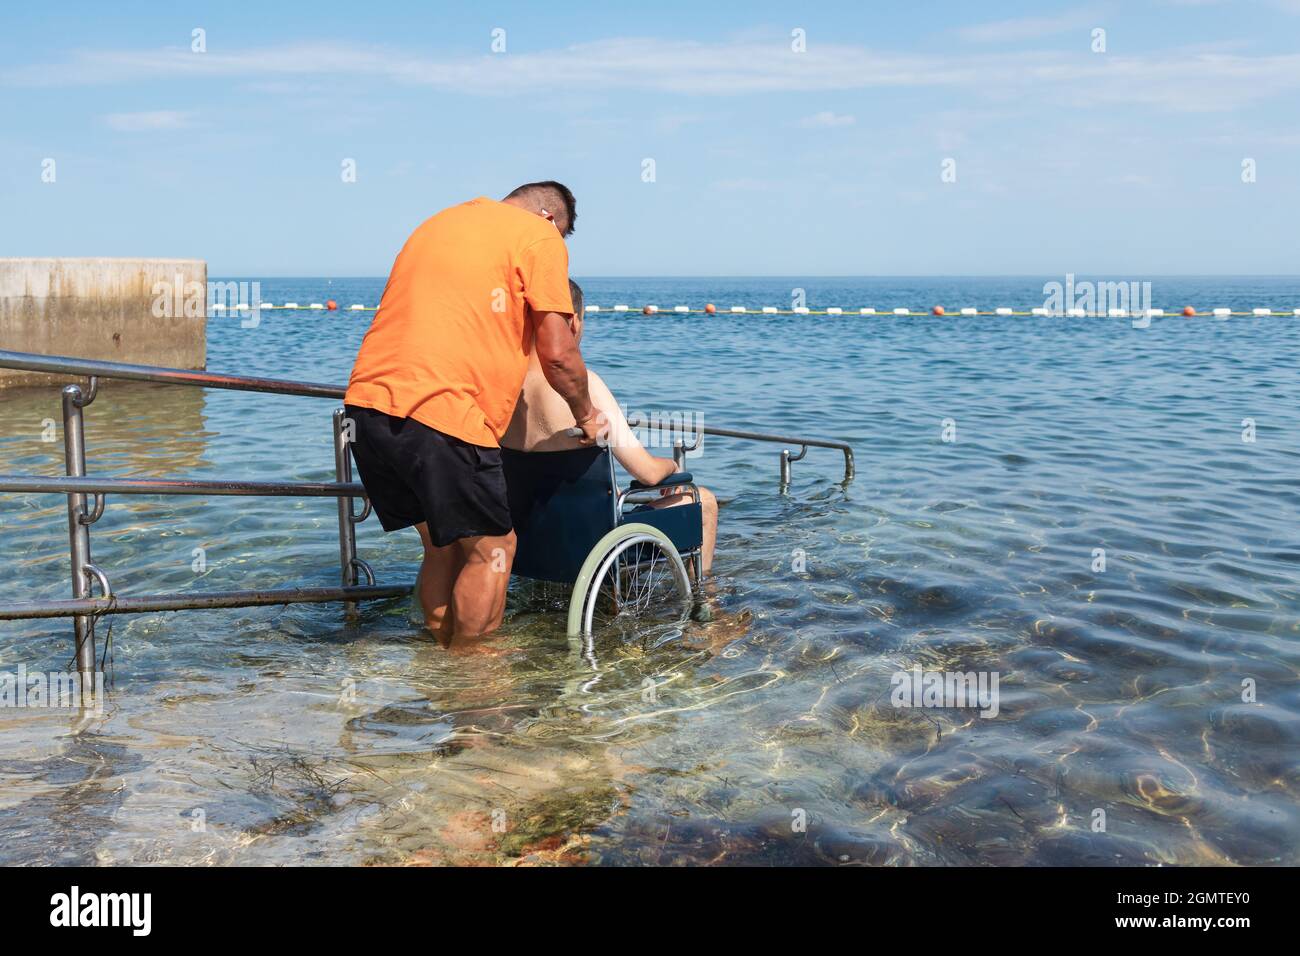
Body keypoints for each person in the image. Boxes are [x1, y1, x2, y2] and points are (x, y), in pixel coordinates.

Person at [343, 183, 602, 642]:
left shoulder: (439, 223)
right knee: (494, 549)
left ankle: (441, 657)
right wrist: (586, 415)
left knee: (443, 549)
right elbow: (558, 353)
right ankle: (474, 681)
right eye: (561, 238)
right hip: (442, 412)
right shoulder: (537, 235)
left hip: (366, 408)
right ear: (549, 217)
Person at [501, 281, 718, 574]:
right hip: (595, 550)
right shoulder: (584, 386)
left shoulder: (500, 387)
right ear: (574, 323)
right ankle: (704, 606)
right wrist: (672, 467)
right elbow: (647, 473)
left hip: (527, 547)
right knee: (702, 500)